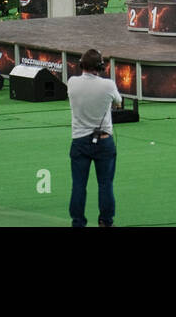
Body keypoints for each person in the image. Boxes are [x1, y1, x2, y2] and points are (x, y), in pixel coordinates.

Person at [67, 48, 121, 227]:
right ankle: (105, 221)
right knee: (105, 184)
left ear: (82, 65)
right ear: (101, 67)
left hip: (80, 140)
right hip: (104, 140)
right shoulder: (108, 85)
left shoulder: (72, 82)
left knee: (78, 185)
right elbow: (118, 102)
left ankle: (78, 221)